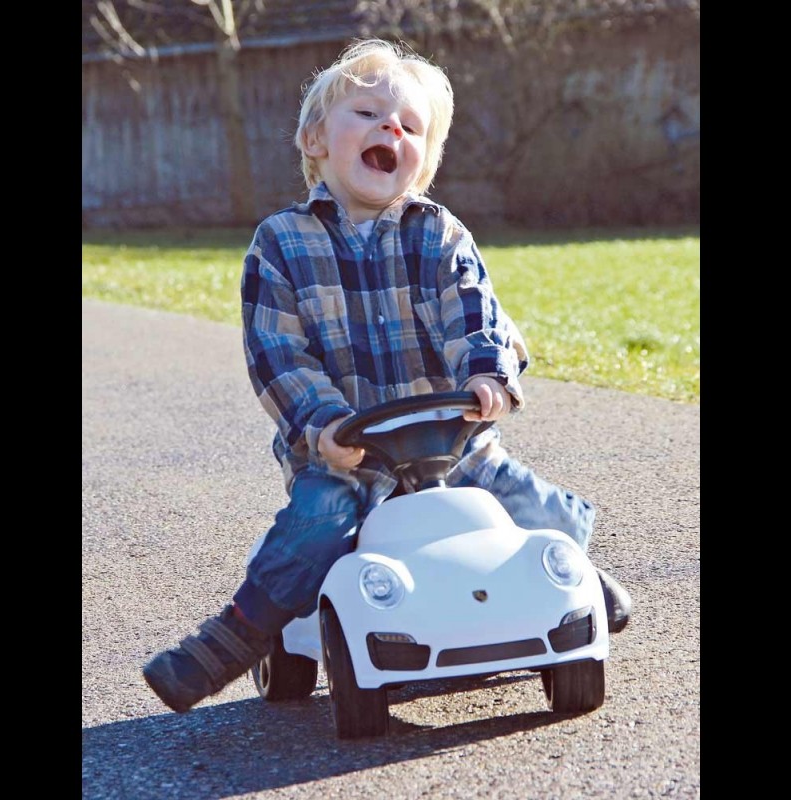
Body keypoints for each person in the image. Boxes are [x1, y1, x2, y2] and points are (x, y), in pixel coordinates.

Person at [143, 38, 631, 714]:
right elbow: (278, 353)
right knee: (317, 524)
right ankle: (239, 634)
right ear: (315, 138)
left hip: (452, 449)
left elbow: (476, 314)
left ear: (422, 161)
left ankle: (576, 587)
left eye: (408, 125)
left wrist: (487, 374)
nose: (389, 129)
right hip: (349, 455)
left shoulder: (439, 235)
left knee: (545, 515)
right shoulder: (282, 243)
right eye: (368, 113)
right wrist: (322, 426)